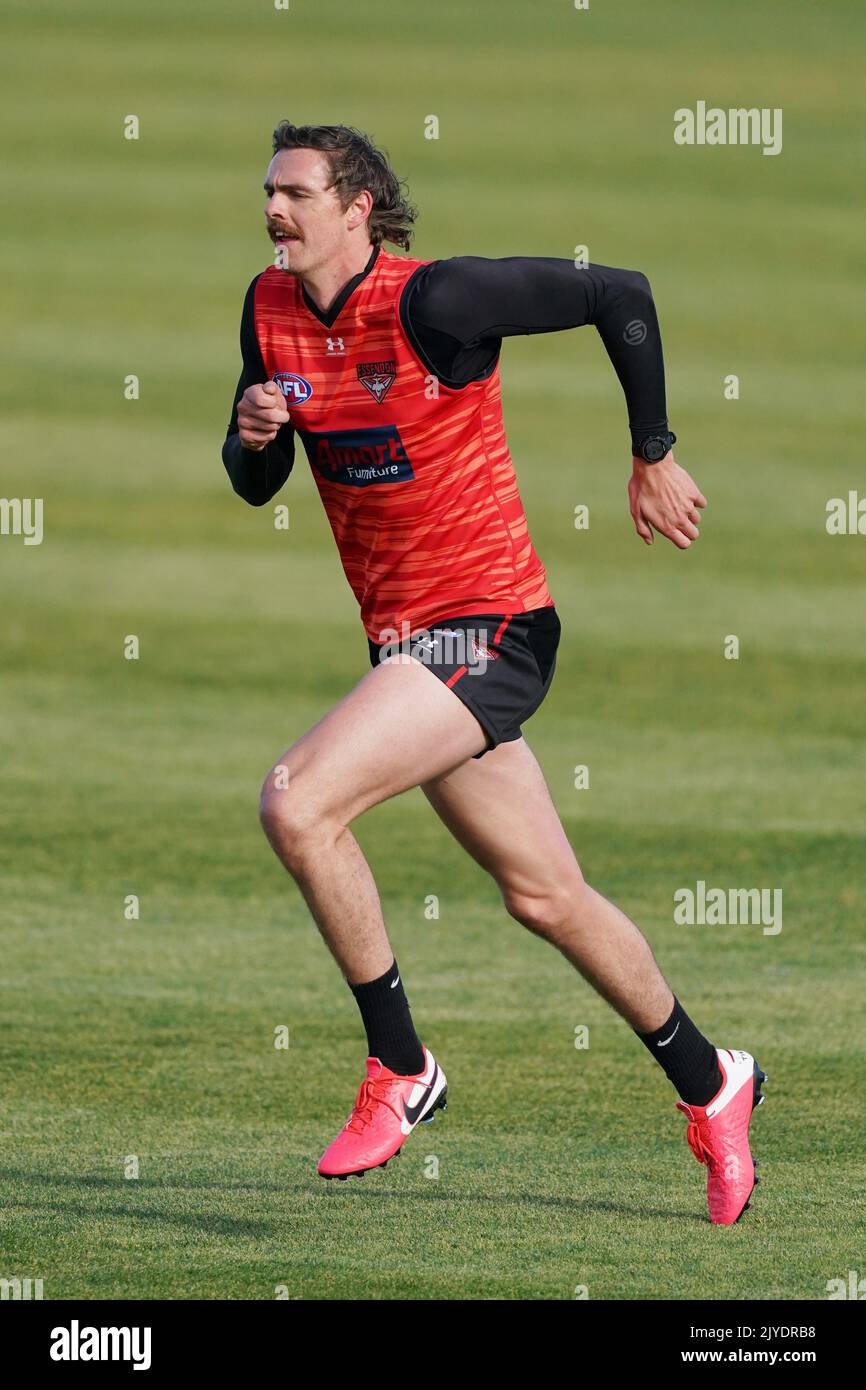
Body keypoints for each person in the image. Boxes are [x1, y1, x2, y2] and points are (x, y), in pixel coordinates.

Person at [222, 121, 766, 1225]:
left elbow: (621, 291)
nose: (275, 211)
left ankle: (399, 1066)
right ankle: (714, 1082)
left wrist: (650, 450)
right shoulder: (268, 308)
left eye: (296, 194)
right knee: (545, 896)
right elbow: (251, 478)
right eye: (268, 193)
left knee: (298, 800)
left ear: (357, 206)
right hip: (407, 649)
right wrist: (253, 432)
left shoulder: (440, 302)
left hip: (489, 631)